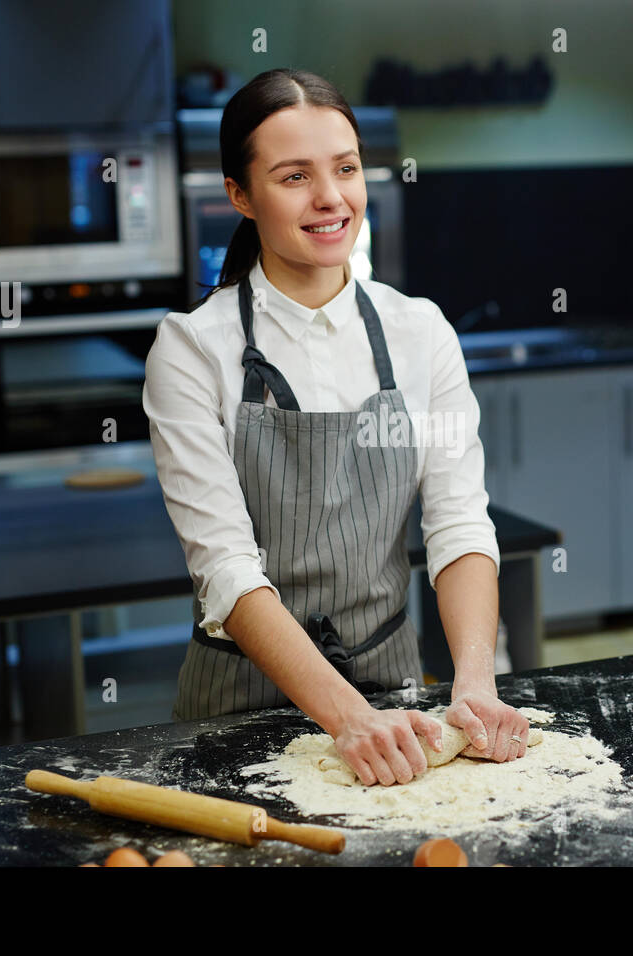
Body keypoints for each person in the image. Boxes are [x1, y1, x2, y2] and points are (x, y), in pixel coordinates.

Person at [143, 68, 532, 786]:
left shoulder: (421, 333)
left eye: (346, 169)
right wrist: (346, 716)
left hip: (395, 700)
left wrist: (474, 679)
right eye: (295, 177)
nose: (331, 199)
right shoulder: (192, 349)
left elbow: (458, 525)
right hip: (237, 716)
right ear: (239, 194)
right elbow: (225, 570)